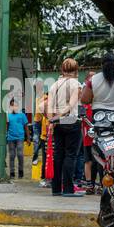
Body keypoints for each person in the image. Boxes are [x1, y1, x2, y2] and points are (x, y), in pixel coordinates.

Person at [48, 59, 84, 197]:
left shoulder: (54, 85)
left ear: (62, 70)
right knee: (70, 155)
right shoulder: (76, 84)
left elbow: (49, 105)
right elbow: (72, 104)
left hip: (57, 123)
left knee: (58, 154)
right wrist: (62, 114)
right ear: (76, 70)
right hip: (71, 120)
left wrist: (52, 120)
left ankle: (56, 188)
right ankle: (68, 189)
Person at [6, 99, 28, 178]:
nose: (14, 107)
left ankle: (21, 171)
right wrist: (6, 135)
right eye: (12, 105)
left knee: (20, 154)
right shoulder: (8, 115)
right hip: (11, 138)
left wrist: (28, 138)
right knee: (12, 155)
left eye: (15, 105)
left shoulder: (22, 115)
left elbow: (26, 126)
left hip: (20, 137)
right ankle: (12, 172)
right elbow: (7, 127)